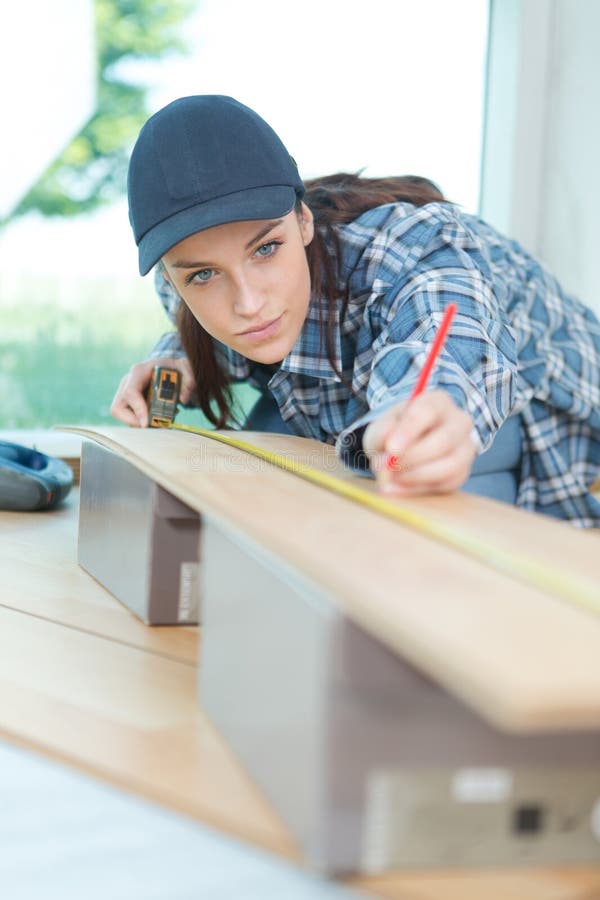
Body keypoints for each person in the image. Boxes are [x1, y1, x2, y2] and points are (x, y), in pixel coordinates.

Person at [112, 94, 600, 528]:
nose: (248, 303)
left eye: (265, 249)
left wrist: (416, 414)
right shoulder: (175, 282)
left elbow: (447, 341)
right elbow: (205, 327)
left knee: (403, 509)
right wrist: (179, 358)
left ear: (303, 220)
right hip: (339, 402)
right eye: (203, 275)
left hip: (532, 410)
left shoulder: (408, 244)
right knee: (251, 488)